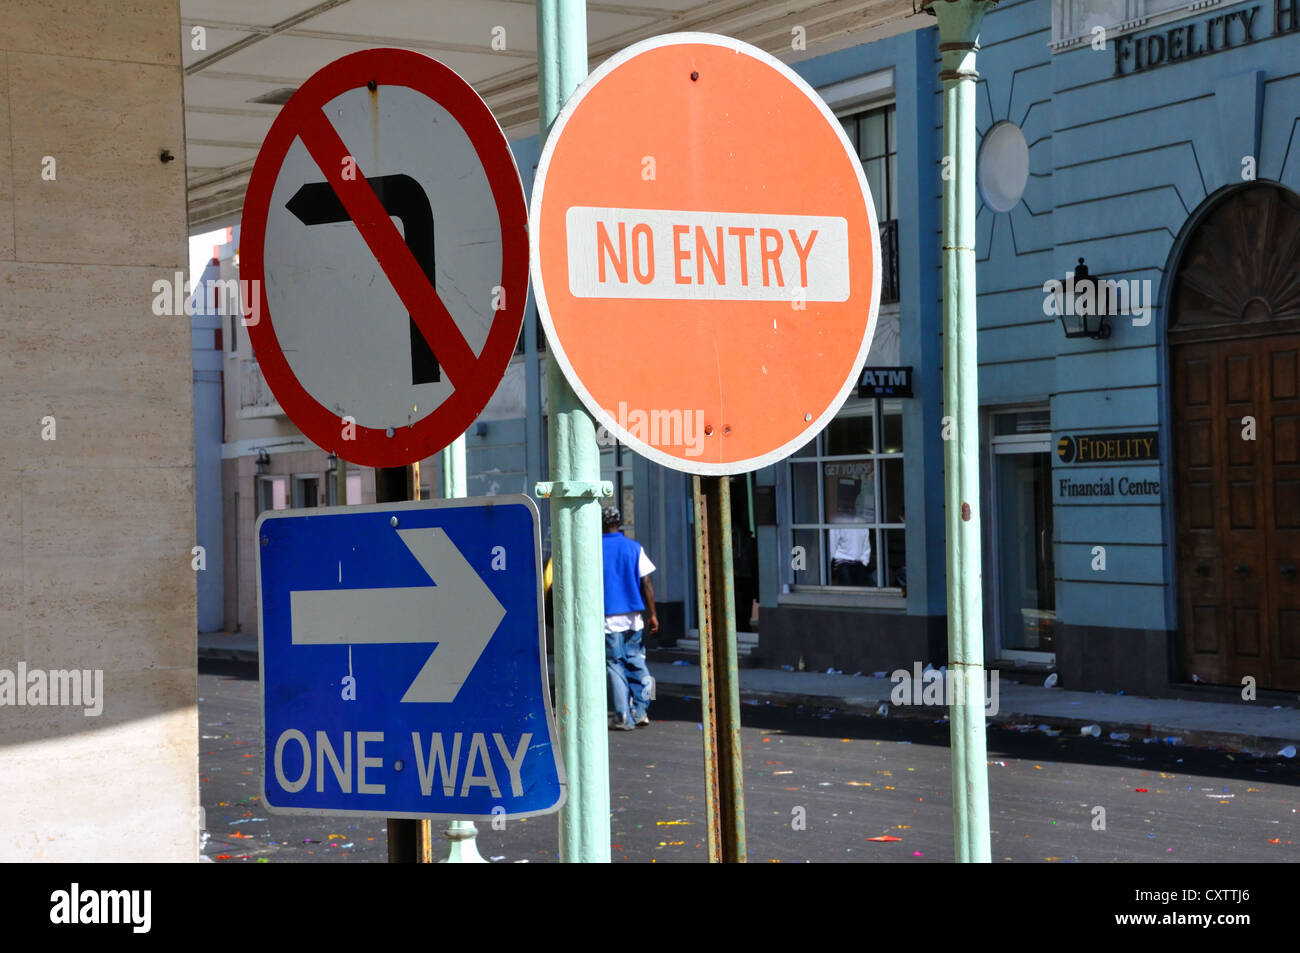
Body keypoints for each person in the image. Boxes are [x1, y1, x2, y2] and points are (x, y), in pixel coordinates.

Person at [601, 507, 657, 730]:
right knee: (637, 663)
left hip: (609, 618)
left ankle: (622, 715)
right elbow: (647, 582)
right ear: (620, 523)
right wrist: (652, 614)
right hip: (634, 618)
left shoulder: (594, 548)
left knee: (615, 665)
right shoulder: (634, 547)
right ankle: (643, 709)